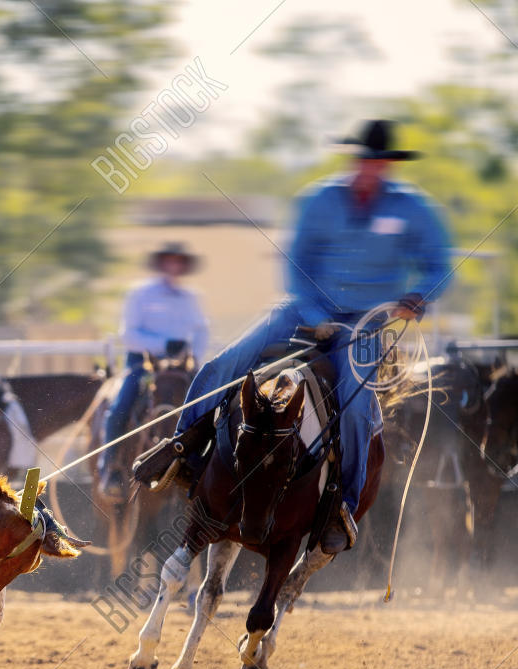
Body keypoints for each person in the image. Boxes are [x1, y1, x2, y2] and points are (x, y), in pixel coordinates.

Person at [133, 119, 454, 553]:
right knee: (224, 363)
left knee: (359, 409)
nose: (371, 169)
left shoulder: (412, 209)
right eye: (365, 160)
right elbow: (294, 265)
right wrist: (316, 313)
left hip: (365, 322)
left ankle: (342, 503)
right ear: (354, 159)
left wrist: (420, 295)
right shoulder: (319, 200)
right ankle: (183, 446)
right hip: (301, 309)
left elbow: (439, 263)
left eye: (379, 162)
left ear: (389, 165)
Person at [96, 242, 209, 498]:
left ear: (183, 266)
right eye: (170, 261)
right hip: (142, 362)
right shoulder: (141, 294)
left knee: (209, 407)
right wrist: (163, 345)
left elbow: (202, 330)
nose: (174, 266)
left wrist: (195, 357)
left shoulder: (191, 298)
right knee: (120, 408)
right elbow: (129, 334)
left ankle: (205, 470)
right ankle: (109, 469)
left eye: (179, 262)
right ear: (162, 264)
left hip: (182, 366)